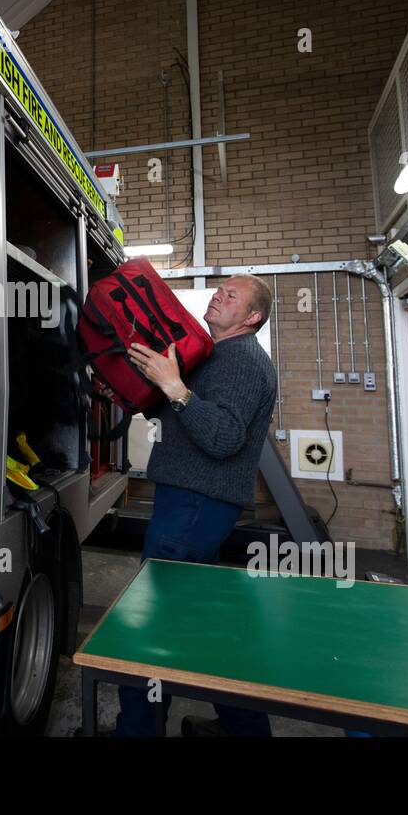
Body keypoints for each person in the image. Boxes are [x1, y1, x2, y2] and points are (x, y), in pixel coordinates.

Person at [114, 274, 278, 737]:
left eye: (231, 295)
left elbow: (224, 438)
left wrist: (175, 388)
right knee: (200, 623)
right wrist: (147, 391)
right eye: (219, 289)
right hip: (191, 502)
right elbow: (189, 419)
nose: (217, 295)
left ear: (252, 317)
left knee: (148, 628)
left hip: (194, 506)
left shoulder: (243, 361)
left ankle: (138, 731)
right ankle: (244, 727)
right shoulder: (217, 354)